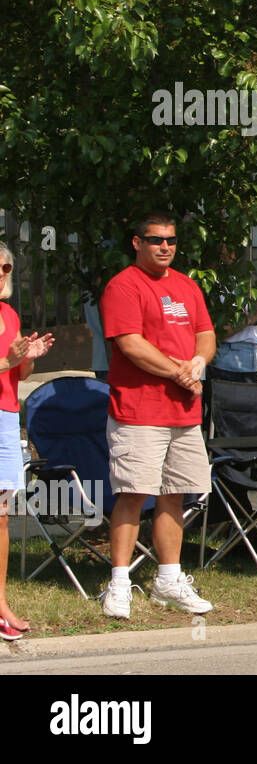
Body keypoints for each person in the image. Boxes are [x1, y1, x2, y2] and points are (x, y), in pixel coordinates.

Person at [99, 211, 217, 619]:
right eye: (155, 240)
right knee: (133, 493)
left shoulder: (187, 286)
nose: (164, 246)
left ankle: (168, 580)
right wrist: (179, 373)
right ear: (137, 242)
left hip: (183, 412)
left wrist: (198, 364)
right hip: (139, 409)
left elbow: (206, 334)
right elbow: (130, 344)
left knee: (175, 494)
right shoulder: (123, 286)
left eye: (170, 240)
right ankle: (118, 583)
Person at [0, 242, 54, 638]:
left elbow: (17, 375)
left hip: (5, 416)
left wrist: (27, 356)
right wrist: (7, 359)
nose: (3, 274)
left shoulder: (9, 314)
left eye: (6, 267)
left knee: (1, 515)